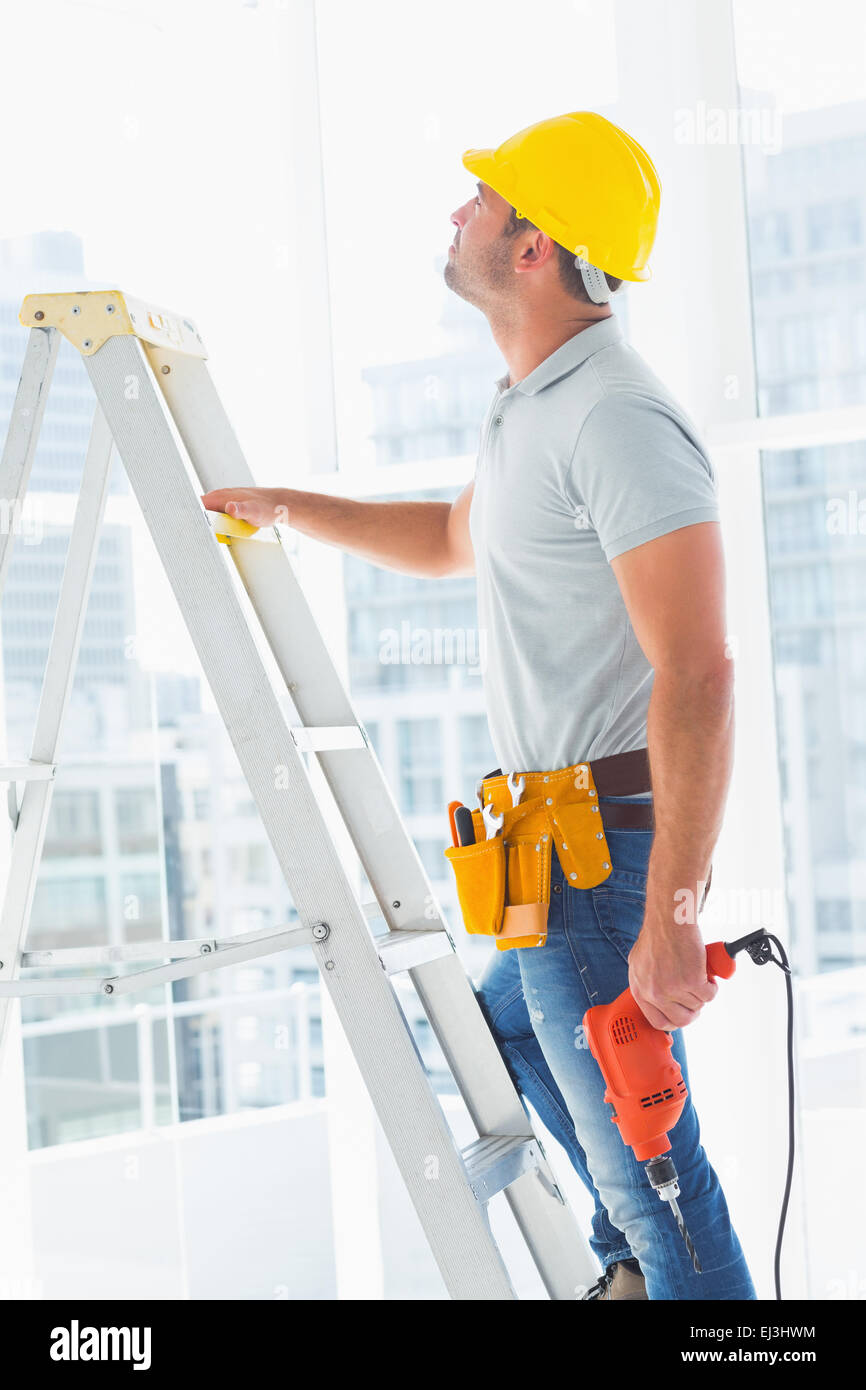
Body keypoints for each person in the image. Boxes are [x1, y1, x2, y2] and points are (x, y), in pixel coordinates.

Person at [201, 111, 755, 1301]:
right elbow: (456, 536)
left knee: (662, 1188)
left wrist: (675, 909)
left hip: (604, 863)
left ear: (532, 247)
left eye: (483, 201)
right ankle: (620, 1267)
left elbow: (700, 669)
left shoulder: (613, 414)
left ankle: (643, 1270)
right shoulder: (529, 406)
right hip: (550, 853)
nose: (458, 212)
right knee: (500, 1036)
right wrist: (287, 506)